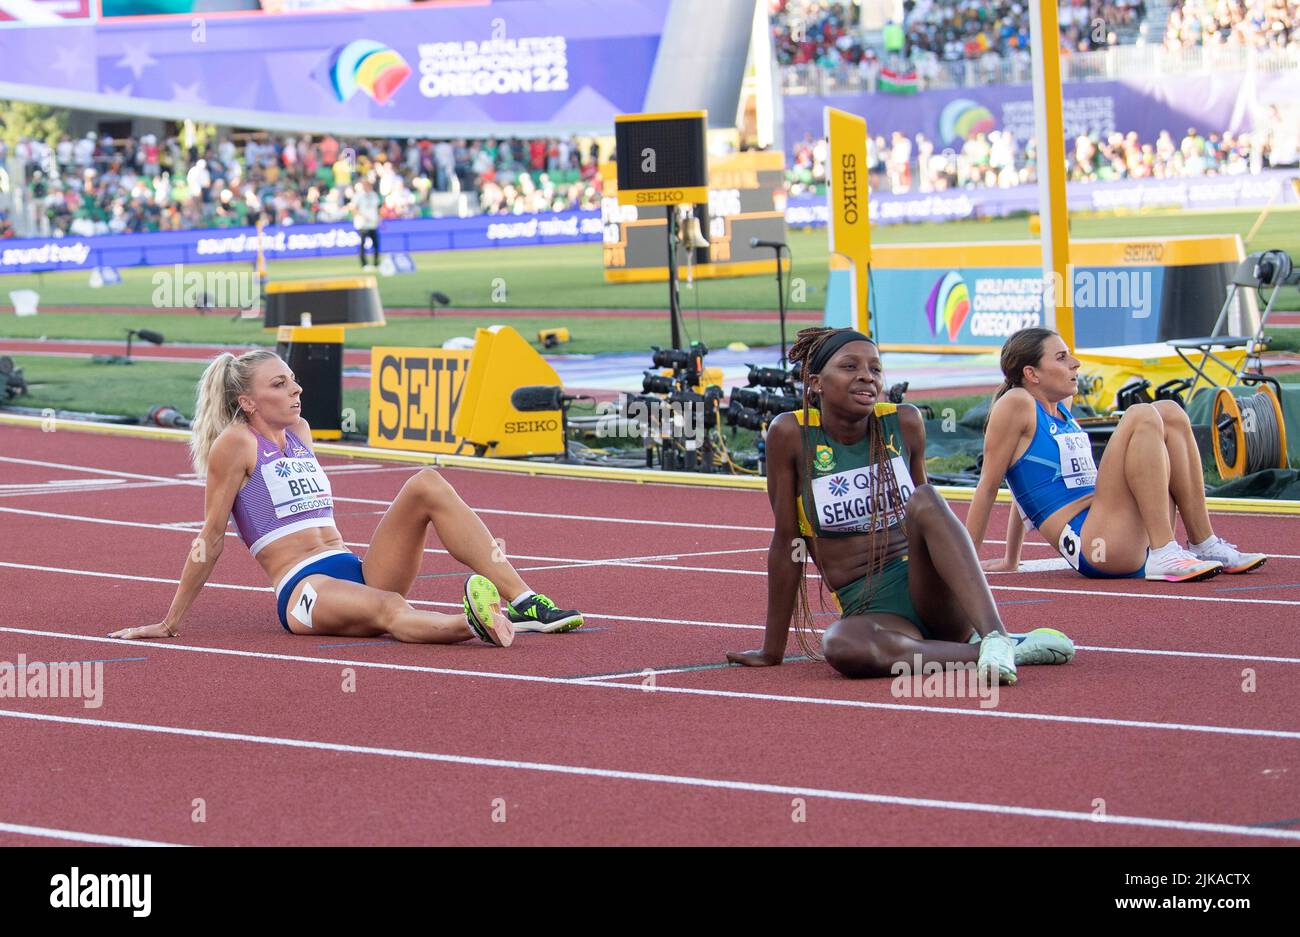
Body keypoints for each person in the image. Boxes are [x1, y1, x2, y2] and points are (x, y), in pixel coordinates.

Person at [110, 349, 583, 644]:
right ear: (247, 403)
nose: (295, 388)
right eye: (279, 384)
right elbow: (210, 538)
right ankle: (475, 624)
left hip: (355, 569)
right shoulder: (234, 444)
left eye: (292, 379)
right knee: (389, 612)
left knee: (426, 483)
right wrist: (170, 621)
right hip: (304, 590)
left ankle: (523, 601)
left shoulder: (299, 430)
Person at [727, 328, 1074, 684]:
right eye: (850, 366)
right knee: (841, 644)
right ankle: (988, 653)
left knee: (926, 498)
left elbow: (932, 523)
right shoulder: (790, 435)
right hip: (872, 610)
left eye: (875, 369)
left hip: (932, 594)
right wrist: (772, 650)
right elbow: (787, 543)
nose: (866, 375)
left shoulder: (904, 423)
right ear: (816, 383)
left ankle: (994, 636)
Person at [968, 327, 1265, 582]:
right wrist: (964, 565)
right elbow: (990, 485)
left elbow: (1022, 479)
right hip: (1098, 545)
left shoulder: (1063, 407)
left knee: (1170, 412)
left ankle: (1204, 542)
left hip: (1119, 526)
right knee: (1140, 414)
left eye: (1070, 354)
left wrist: (1011, 557)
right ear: (1031, 373)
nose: (1075, 363)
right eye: (1061, 358)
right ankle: (1164, 551)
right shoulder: (1016, 403)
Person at [350, 177, 381, 268]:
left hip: (373, 224)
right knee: (362, 244)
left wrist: (379, 217)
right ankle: (364, 264)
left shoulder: (374, 195)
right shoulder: (358, 196)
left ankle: (376, 263)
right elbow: (353, 208)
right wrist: (360, 216)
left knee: (376, 244)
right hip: (363, 224)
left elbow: (377, 207)